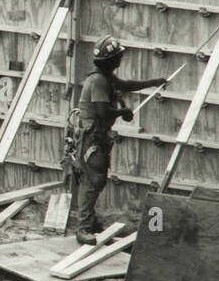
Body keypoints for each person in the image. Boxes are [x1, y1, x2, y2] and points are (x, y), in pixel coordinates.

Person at [71, 35, 167, 244]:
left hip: (97, 136)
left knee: (96, 180)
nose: (120, 60)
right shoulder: (97, 80)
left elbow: (126, 85)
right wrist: (123, 111)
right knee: (92, 181)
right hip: (91, 137)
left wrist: (154, 82)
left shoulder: (105, 77)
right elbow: (102, 110)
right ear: (111, 60)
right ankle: (83, 228)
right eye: (118, 56)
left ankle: (90, 222)